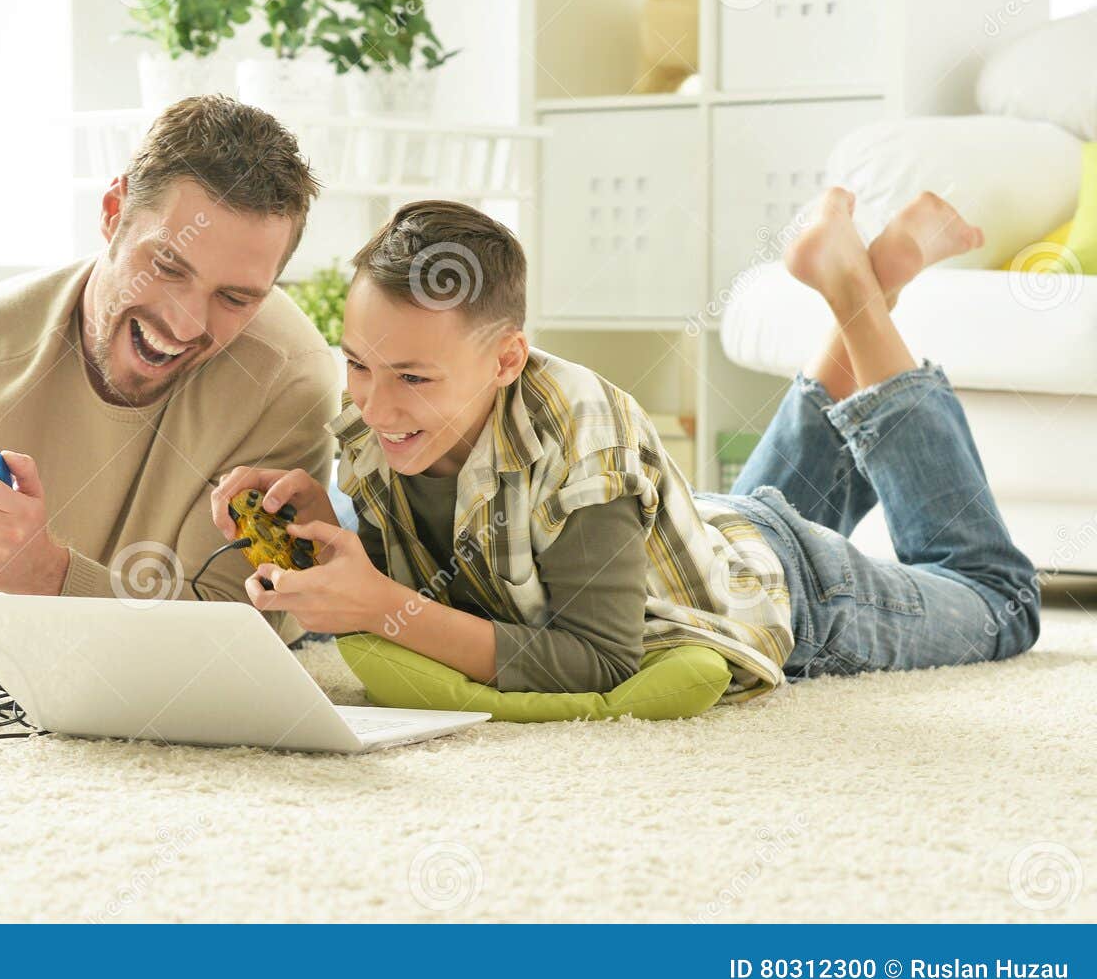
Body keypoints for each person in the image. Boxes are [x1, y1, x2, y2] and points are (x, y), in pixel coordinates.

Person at [211, 192, 1039, 701]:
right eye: (357, 363)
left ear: (507, 359)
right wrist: (337, 529)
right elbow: (459, 571)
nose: (376, 403)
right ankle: (872, 275)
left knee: (1002, 600)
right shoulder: (372, 415)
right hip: (694, 544)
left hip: (797, 596)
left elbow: (604, 660)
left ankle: (860, 287)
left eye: (414, 380)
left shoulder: (580, 439)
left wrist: (383, 612)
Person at [0, 96, 338, 692]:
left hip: (79, 570)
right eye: (168, 267)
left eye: (235, 299)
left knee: (350, 566)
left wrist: (48, 575)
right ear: (112, 212)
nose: (184, 324)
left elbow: (235, 652)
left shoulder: (290, 376)